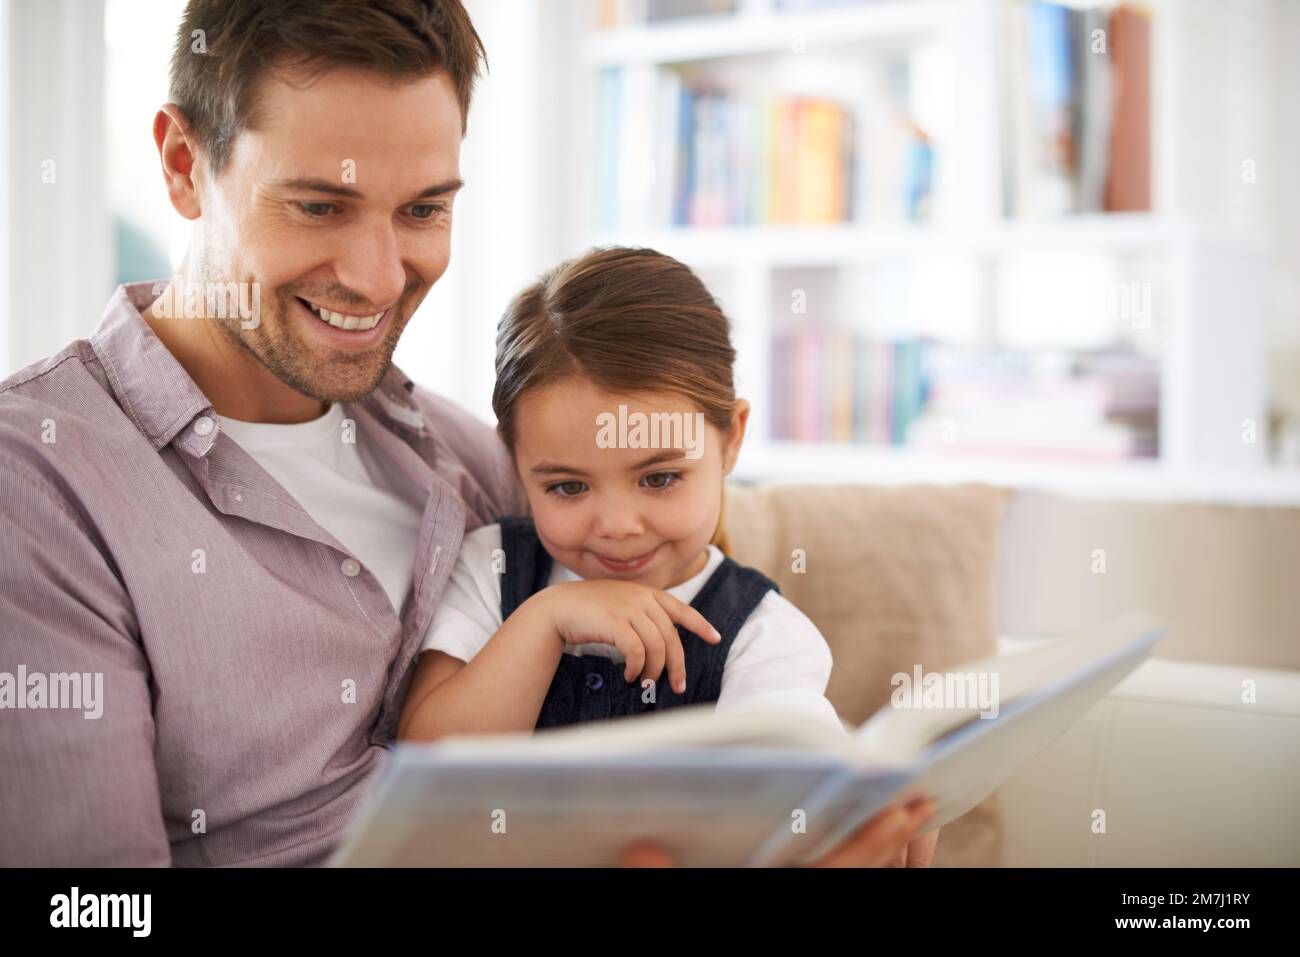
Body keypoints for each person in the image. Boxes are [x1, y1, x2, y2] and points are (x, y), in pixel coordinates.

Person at [0, 0, 933, 867]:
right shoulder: (42, 479)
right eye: (319, 205)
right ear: (181, 165)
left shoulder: (466, 460)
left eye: (423, 211)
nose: (375, 277)